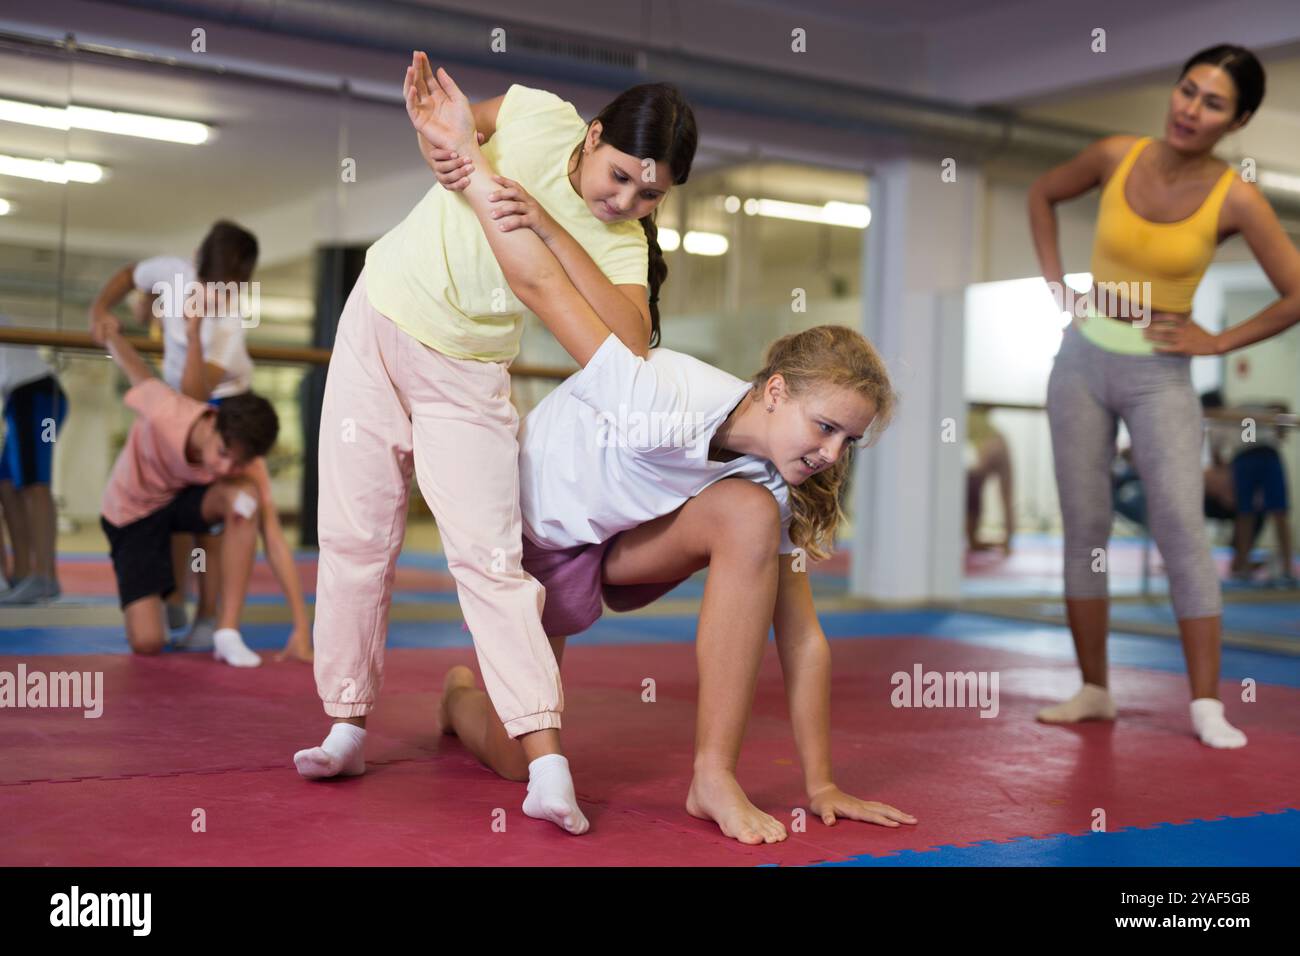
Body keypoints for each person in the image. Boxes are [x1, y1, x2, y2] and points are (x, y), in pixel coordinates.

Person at [293, 53, 696, 838]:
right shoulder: (538, 112)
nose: (626, 200)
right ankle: (346, 725)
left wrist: (552, 225)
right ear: (594, 133)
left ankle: (546, 763)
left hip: (469, 368)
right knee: (355, 535)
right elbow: (455, 137)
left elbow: (631, 341)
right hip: (378, 312)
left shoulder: (622, 241)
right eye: (619, 176)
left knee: (490, 560)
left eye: (650, 193)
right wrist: (434, 136)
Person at [1028, 45, 1300, 748]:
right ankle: (1093, 689)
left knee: (1181, 526)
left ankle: (1206, 703)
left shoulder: (1234, 196)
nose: (1190, 109)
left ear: (1235, 121)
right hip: (1082, 359)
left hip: (1160, 371)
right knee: (1085, 525)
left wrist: (1219, 342)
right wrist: (1057, 285)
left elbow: (1296, 292)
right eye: (1187, 90)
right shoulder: (1116, 154)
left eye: (1212, 103)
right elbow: (1043, 194)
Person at [89, 222, 312, 663]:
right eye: (208, 284)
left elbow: (196, 397)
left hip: (221, 411)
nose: (213, 296)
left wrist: (301, 626)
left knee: (237, 505)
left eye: (224, 289)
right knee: (176, 511)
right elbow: (132, 274)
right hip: (181, 422)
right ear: (195, 262)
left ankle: (216, 622)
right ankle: (171, 602)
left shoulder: (227, 324)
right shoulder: (174, 274)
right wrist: (104, 311)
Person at [89, 308, 279, 665]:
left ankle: (227, 631)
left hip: (178, 502)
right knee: (147, 642)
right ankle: (162, 599)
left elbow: (273, 537)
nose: (225, 467)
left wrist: (302, 623)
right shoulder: (169, 412)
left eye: (236, 463)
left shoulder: (243, 456)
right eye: (222, 453)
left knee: (245, 500)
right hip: (131, 514)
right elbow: (135, 369)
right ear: (213, 423)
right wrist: (109, 330)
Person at [0, 316, 68, 604]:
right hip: (20, 401)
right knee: (5, 484)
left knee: (35, 483)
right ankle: (24, 573)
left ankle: (44, 576)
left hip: (38, 397)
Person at [965, 403, 1015, 553]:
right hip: (1002, 443)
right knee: (1006, 497)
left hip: (989, 447)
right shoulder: (976, 415)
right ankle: (1008, 544)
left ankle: (973, 540)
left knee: (972, 492)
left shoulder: (956, 418)